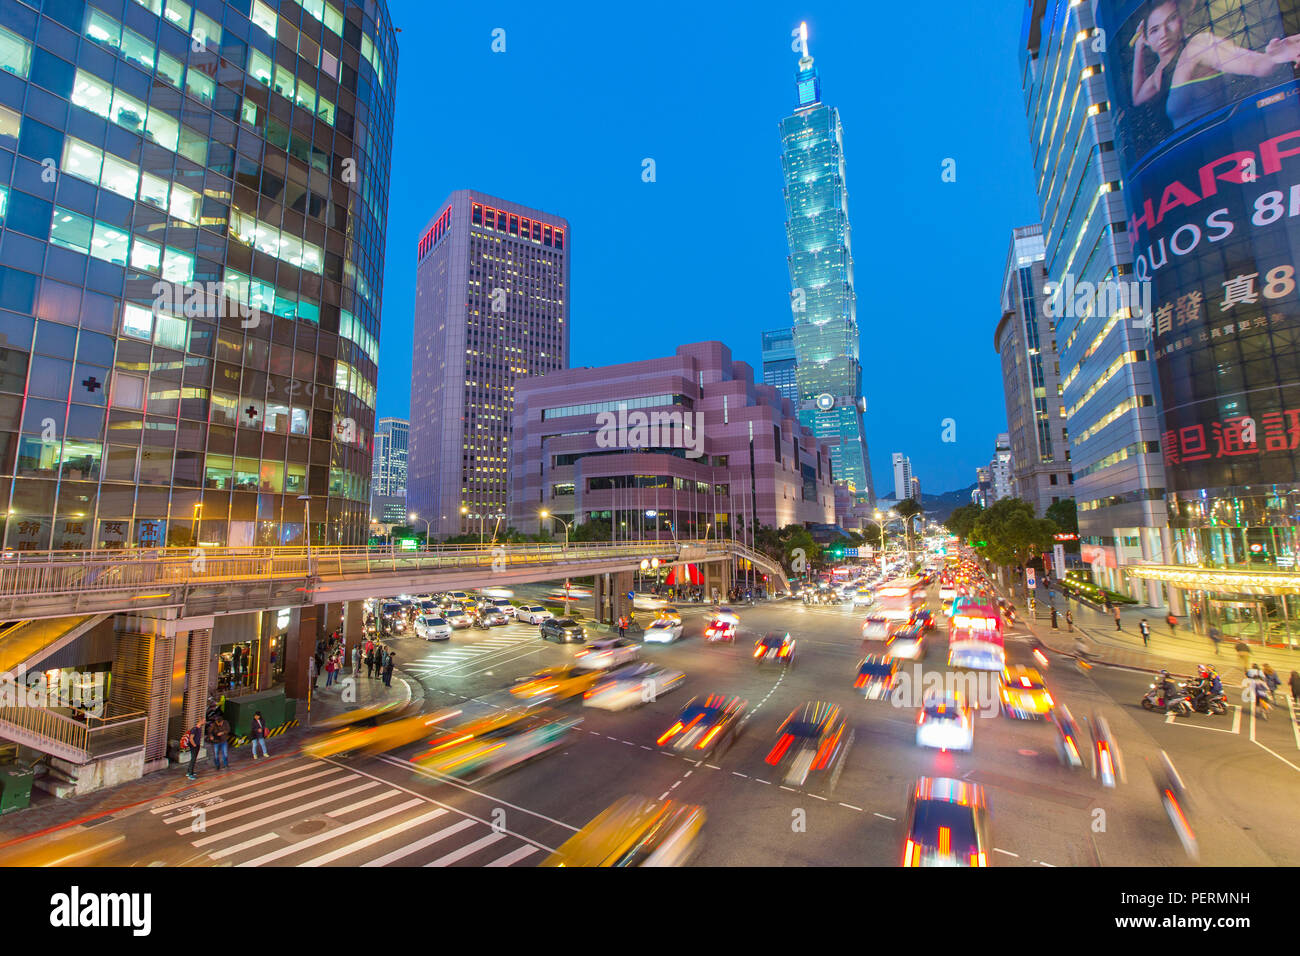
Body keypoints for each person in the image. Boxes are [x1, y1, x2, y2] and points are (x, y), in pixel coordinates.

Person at [1130, 0, 1300, 134]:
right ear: (1147, 40)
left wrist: (1274, 57)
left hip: (1224, 147)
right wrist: (1139, 47)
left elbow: (1254, 65)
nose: (1164, 33)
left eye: (1172, 19)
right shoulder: (1160, 72)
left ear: (1182, 20)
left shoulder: (1198, 46)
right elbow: (1137, 97)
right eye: (1154, 30)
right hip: (1192, 162)